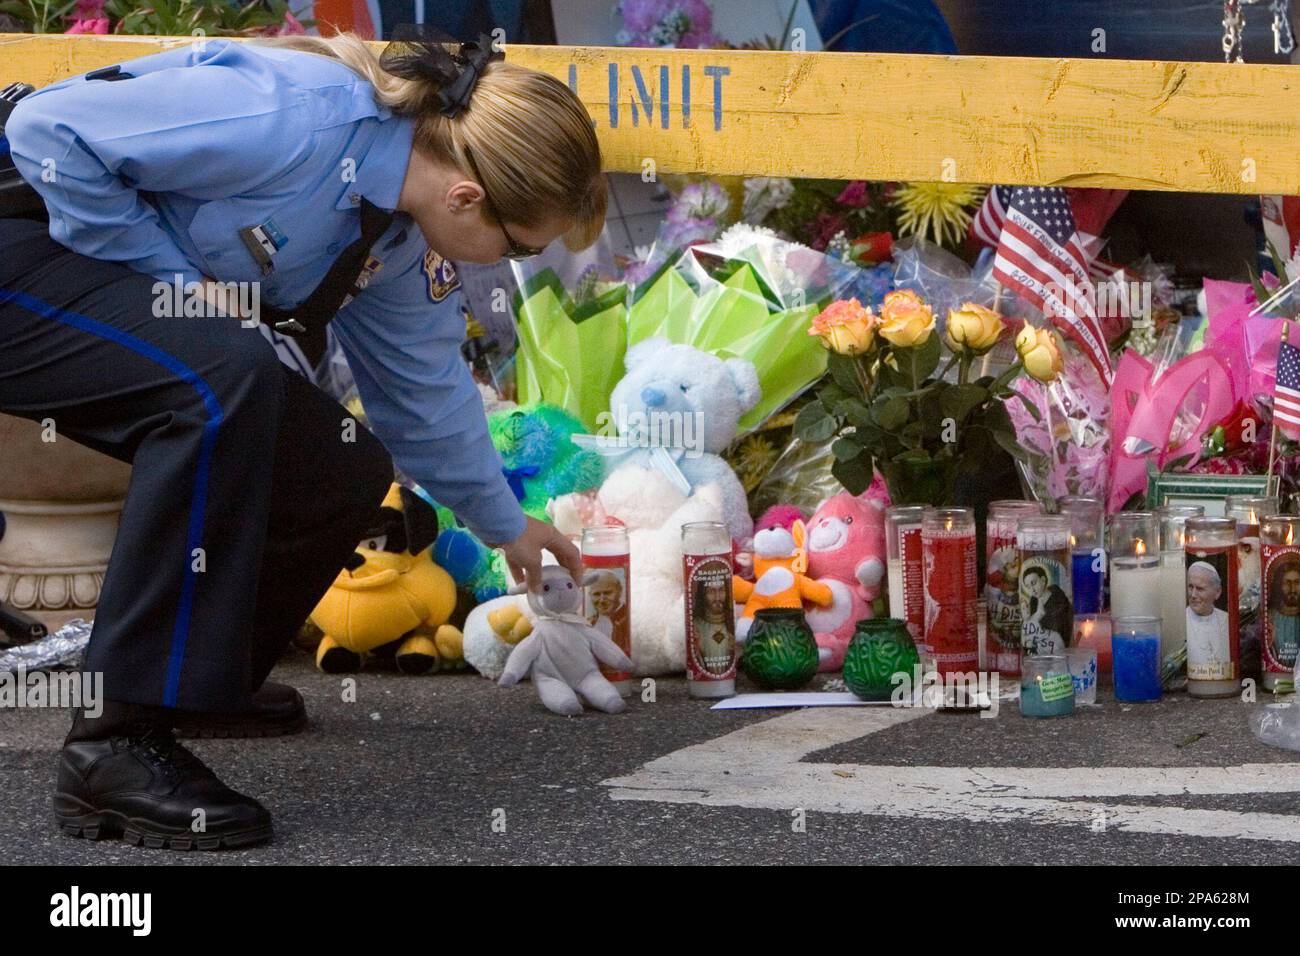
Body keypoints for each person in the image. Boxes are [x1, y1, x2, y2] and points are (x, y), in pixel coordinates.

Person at [0, 29, 602, 850]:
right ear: (468, 198)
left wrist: (507, 524)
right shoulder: (294, 112)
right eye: (522, 245)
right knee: (225, 378)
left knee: (342, 463)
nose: (514, 262)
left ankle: (194, 685)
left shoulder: (397, 233)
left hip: (74, 275)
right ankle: (115, 748)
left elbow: (421, 396)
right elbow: (48, 133)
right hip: (18, 235)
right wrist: (175, 285)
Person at [1186, 561, 1231, 671]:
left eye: (1200, 589)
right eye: (1191, 587)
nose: (1193, 595)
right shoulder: (1180, 620)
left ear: (1217, 592)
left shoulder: (1227, 620)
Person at [1020, 565, 1070, 654]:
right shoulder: (1034, 600)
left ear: (1043, 580)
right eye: (1028, 586)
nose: (1032, 589)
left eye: (1033, 583)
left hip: (1058, 649)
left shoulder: (1058, 598)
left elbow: (1059, 626)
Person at [1267, 561, 1300, 669]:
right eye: (1287, 583)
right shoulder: (1270, 617)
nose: (1292, 589)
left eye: (1297, 582)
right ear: (1279, 585)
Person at [584, 570, 626, 639]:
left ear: (620, 591)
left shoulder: (629, 619)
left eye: (607, 593)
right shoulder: (588, 623)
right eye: (596, 594)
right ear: (590, 595)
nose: (602, 600)